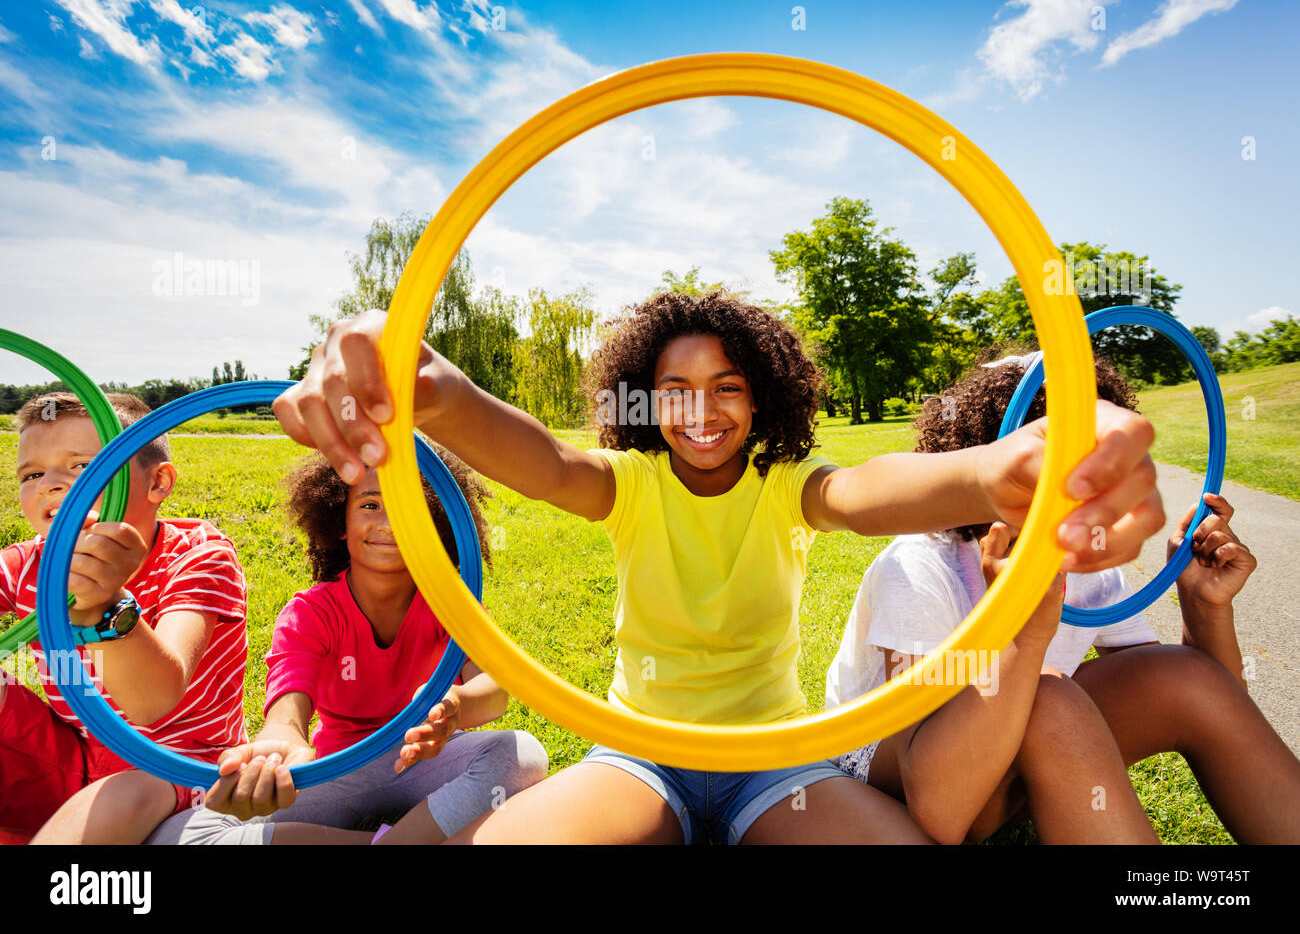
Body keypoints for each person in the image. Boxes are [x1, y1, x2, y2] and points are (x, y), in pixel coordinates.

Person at [272, 292, 1166, 844]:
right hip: (641, 757)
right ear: (643, 401)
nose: (702, 411)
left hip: (776, 762)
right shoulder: (627, 484)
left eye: (728, 386)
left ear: (764, 395)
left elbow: (868, 492)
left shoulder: (788, 489)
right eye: (675, 390)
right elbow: (541, 460)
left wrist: (991, 471)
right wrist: (428, 386)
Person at [825, 348, 1300, 843]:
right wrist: (1021, 632)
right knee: (1046, 694)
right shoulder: (922, 563)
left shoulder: (1086, 553)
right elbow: (941, 813)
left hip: (1012, 757)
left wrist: (1205, 609)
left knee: (1173, 675)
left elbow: (1196, 702)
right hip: (904, 780)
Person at [146, 447, 548, 844]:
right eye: (370, 505)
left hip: (428, 760)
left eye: (408, 507)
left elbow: (495, 690)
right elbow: (287, 709)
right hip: (337, 769)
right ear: (340, 520)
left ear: (433, 524)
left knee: (521, 754)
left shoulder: (449, 602)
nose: (388, 523)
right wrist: (283, 743)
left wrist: (454, 706)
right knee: (179, 834)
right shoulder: (311, 613)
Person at [0, 392, 248, 844]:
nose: (50, 485)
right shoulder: (25, 565)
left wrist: (104, 604)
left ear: (157, 483)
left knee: (122, 795)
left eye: (80, 466)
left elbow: (155, 700)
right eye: (32, 473)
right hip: (74, 757)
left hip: (175, 767)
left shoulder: (198, 557)